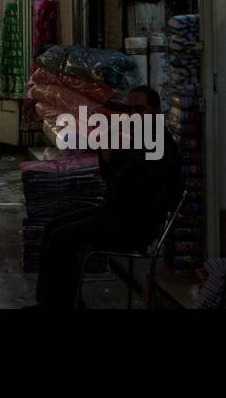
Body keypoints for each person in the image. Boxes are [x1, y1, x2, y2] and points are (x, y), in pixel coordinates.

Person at [34, 86, 181, 308]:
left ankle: (59, 304)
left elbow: (136, 189)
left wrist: (113, 160)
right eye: (129, 110)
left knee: (61, 237)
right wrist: (108, 154)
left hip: (134, 225)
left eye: (139, 109)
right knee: (53, 227)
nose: (133, 116)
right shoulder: (140, 138)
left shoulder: (158, 144)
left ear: (156, 112)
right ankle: (53, 302)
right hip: (117, 212)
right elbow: (112, 176)